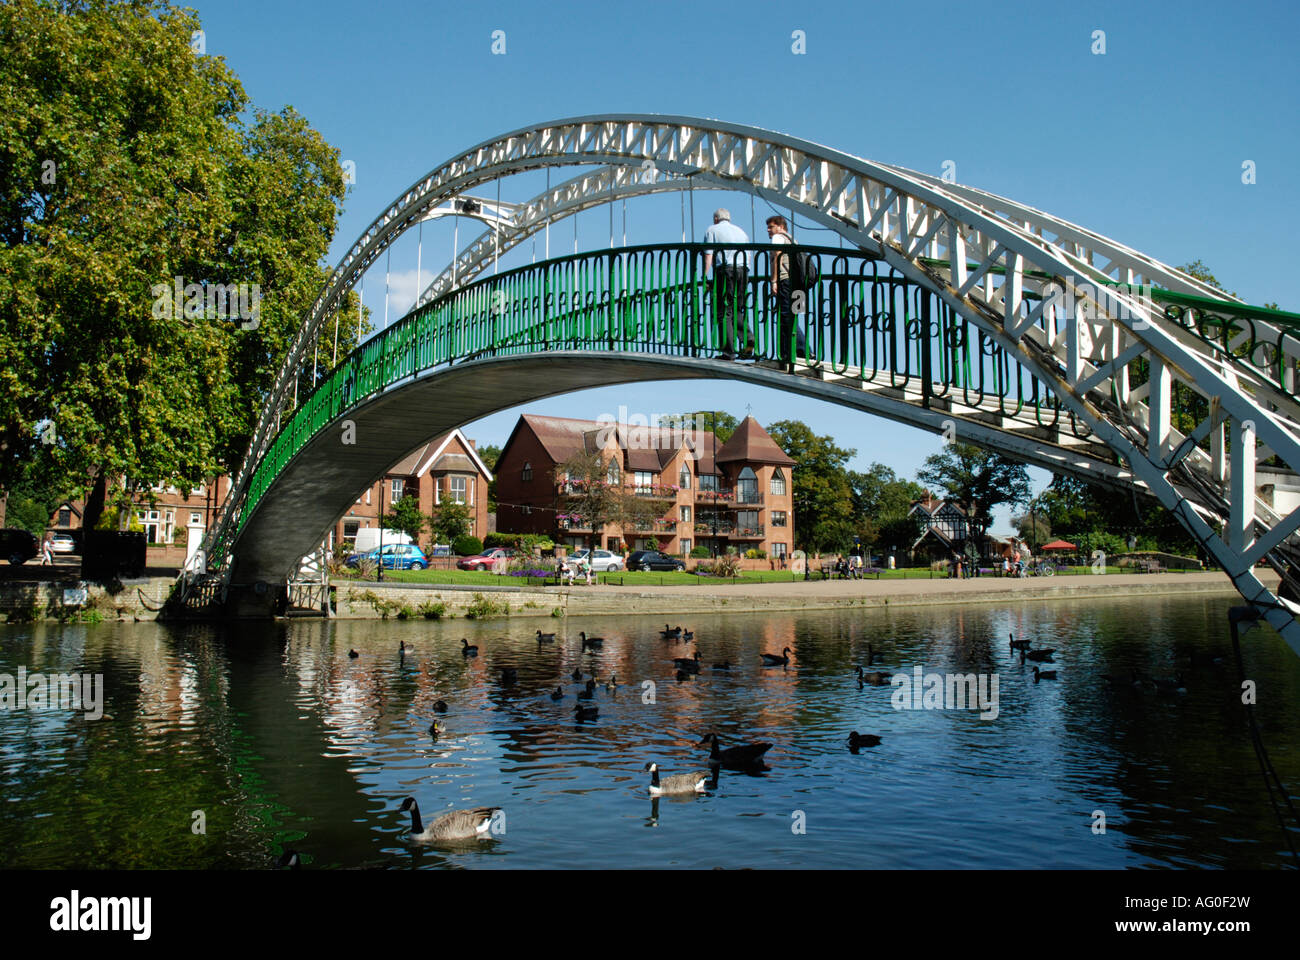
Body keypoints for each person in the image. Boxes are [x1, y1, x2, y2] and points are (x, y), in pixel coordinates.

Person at [766, 215, 814, 374]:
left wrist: (774, 281)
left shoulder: (778, 237)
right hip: (800, 284)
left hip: (786, 281)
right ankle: (798, 350)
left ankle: (800, 350)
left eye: (771, 227)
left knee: (786, 316)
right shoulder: (794, 240)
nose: (768, 230)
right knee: (795, 315)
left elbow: (777, 256)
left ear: (780, 226)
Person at [703, 209, 751, 360]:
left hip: (726, 271)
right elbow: (748, 256)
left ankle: (728, 351)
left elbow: (708, 255)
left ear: (716, 218)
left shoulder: (712, 230)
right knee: (736, 307)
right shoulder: (741, 232)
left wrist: (705, 277)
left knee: (724, 311)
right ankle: (748, 338)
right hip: (743, 271)